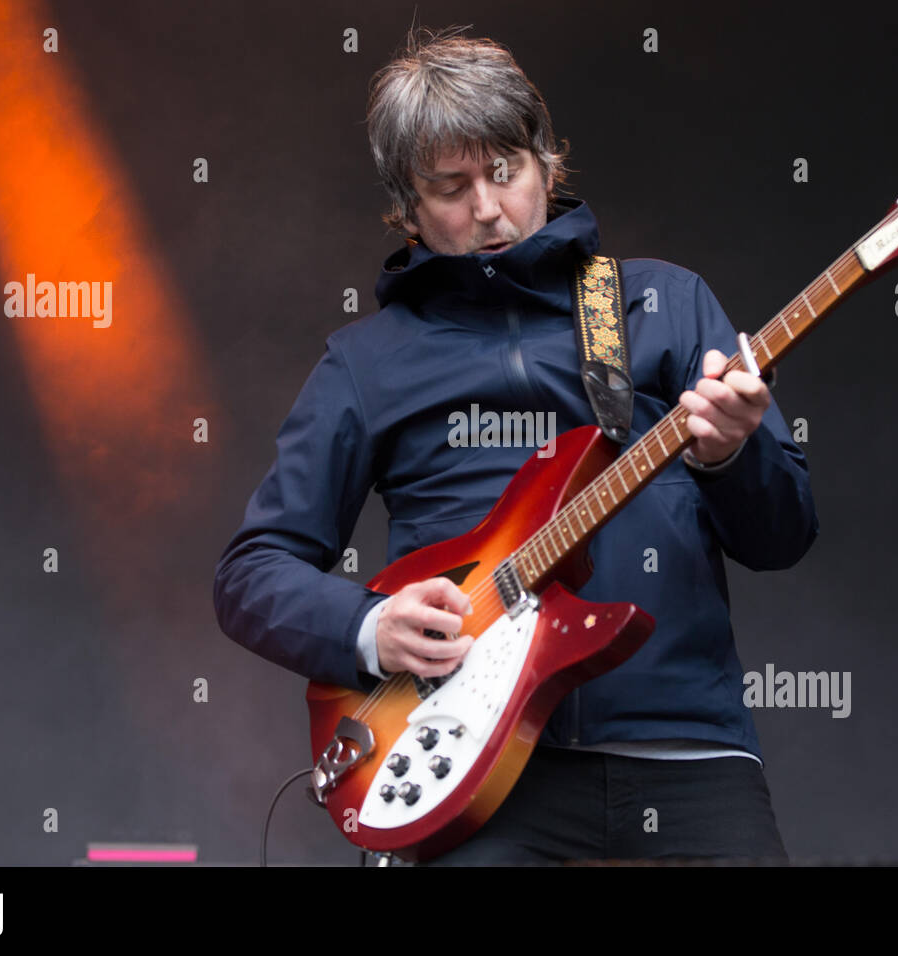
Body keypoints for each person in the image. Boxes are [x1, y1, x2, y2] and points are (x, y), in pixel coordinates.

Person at [213, 26, 819, 865]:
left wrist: (731, 452)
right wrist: (369, 625)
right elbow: (249, 575)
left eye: (506, 172)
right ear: (407, 207)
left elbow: (783, 536)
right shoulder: (365, 362)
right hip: (474, 775)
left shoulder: (664, 305)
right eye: (451, 188)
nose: (489, 209)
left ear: (547, 162)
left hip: (688, 754)